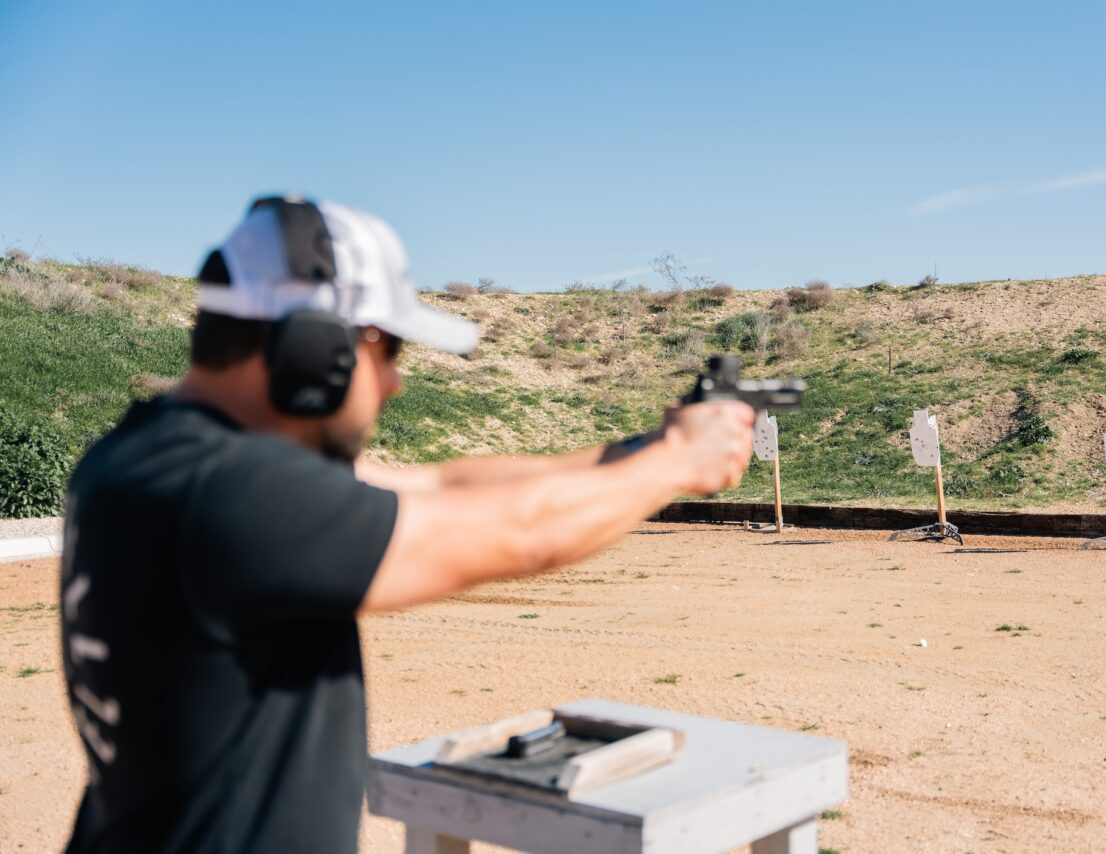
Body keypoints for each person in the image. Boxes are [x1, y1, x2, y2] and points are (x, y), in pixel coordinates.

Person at [58, 195, 755, 853]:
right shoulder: (232, 493)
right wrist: (678, 465)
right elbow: (529, 533)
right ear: (316, 350)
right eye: (387, 350)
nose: (394, 382)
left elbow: (442, 483)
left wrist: (637, 450)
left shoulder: (145, 459)